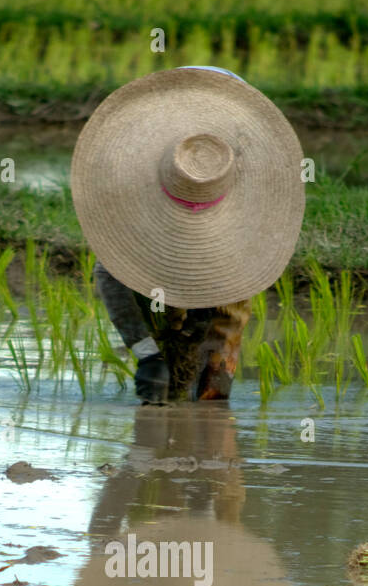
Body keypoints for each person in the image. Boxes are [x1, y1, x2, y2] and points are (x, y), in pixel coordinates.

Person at [70, 65, 306, 404]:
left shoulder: (252, 172)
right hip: (156, 278)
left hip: (229, 266)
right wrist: (146, 353)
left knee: (214, 386)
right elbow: (108, 273)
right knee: (163, 378)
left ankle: (211, 430)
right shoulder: (137, 182)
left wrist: (202, 316)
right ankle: (161, 417)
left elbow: (257, 257)